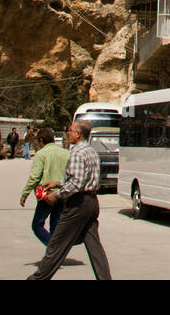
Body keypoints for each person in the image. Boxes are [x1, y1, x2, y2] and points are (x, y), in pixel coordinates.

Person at [26, 120, 112, 280]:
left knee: (56, 245)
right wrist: (58, 183)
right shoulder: (91, 151)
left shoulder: (78, 153)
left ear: (78, 134)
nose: (68, 133)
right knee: (95, 247)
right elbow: (84, 179)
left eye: (70, 131)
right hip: (92, 203)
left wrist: (57, 194)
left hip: (77, 205)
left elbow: (77, 182)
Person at [20, 128, 69, 246]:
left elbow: (34, 177)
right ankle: (55, 254)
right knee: (55, 225)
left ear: (41, 140)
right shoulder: (66, 153)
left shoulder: (41, 154)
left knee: (37, 225)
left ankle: (53, 248)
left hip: (47, 195)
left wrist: (24, 194)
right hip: (62, 193)